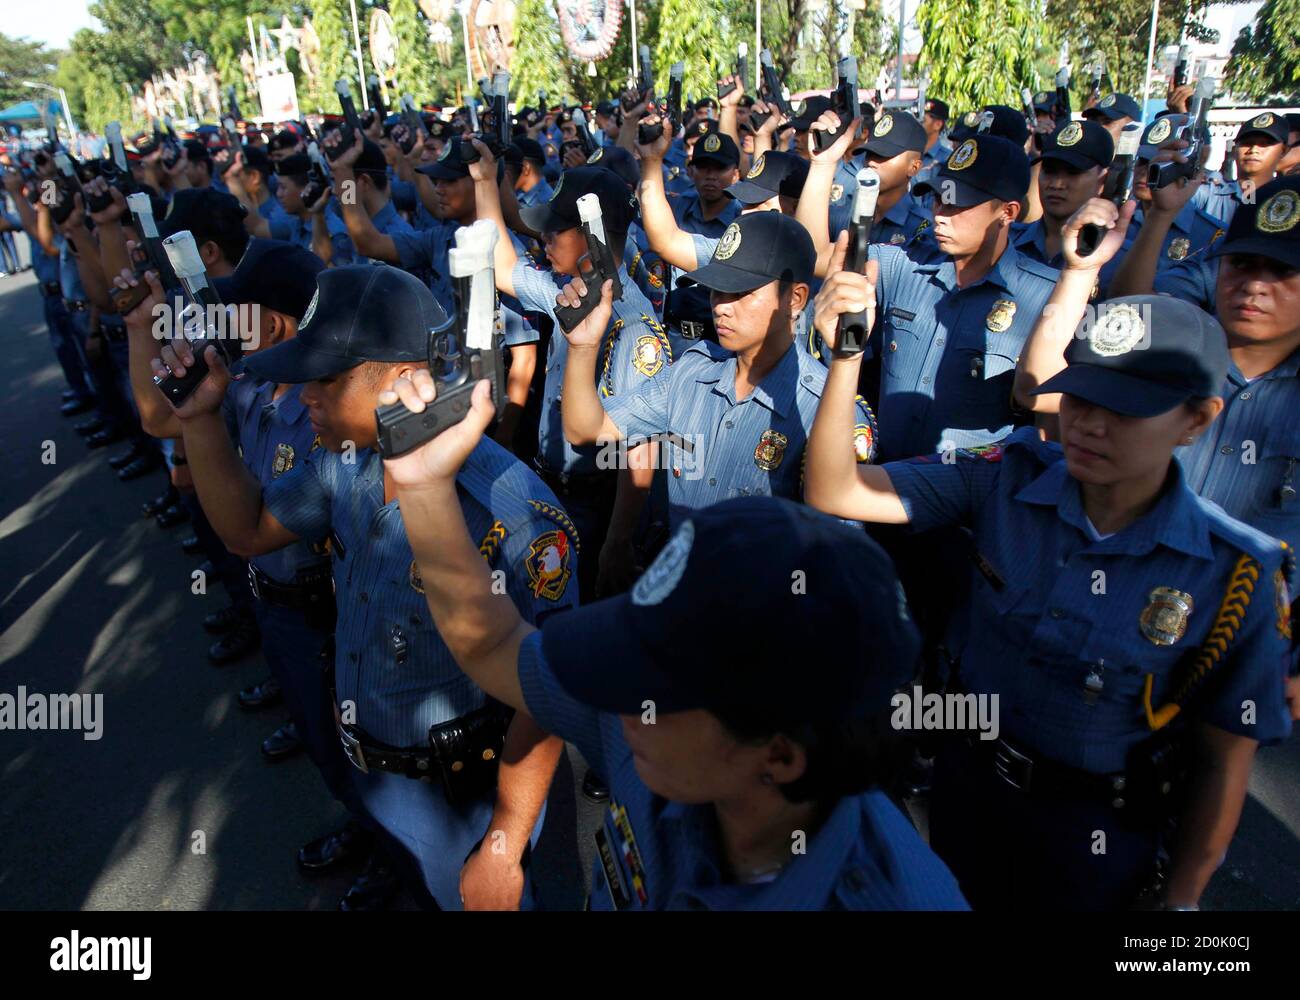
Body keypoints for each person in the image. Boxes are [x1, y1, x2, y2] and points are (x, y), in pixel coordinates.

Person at [806, 246, 1293, 909]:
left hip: (1091, 834)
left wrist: (1181, 902)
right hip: (966, 784)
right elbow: (838, 490)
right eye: (1083, 395)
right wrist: (846, 357)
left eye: (1125, 407)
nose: (1090, 422)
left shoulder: (1234, 573)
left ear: (1197, 420)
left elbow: (1222, 763)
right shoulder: (1008, 475)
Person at [373, 381, 968, 909]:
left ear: (780, 757)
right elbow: (494, 641)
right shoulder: (639, 721)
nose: (622, 692)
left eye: (659, 685)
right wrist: (425, 487)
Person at [148, 262, 576, 911]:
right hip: (378, 778)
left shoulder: (515, 516)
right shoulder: (344, 461)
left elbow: (545, 697)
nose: (304, 395)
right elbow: (248, 532)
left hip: (466, 798)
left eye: (325, 377)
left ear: (405, 381)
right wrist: (202, 421)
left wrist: (504, 845)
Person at [1016, 176, 1300, 705]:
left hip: (1240, 639)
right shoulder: (1171, 352)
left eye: (1283, 271)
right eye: (1241, 265)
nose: (1255, 286)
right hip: (1105, 609)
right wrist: (1082, 272)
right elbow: (1040, 389)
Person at [559, 211, 877, 529]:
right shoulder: (692, 373)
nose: (721, 306)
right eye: (716, 290)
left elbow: (834, 552)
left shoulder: (827, 411)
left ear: (795, 298)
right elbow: (586, 429)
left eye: (740, 293)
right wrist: (582, 348)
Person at [474, 153, 672, 601]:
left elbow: (640, 454)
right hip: (553, 488)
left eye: (555, 228)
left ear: (592, 236)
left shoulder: (630, 324)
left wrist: (616, 544)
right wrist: (485, 180)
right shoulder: (573, 294)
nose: (542, 237)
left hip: (595, 505)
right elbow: (505, 268)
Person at [868, 133, 1058, 462]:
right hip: (878, 481)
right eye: (939, 199)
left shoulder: (1044, 294)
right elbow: (819, 255)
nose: (941, 213)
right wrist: (824, 164)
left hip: (968, 499)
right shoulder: (907, 265)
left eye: (959, 204)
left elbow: (1050, 419)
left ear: (1008, 212)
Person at [1009, 119, 1128, 295]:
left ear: (1105, 180)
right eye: (1049, 171)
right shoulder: (1006, 240)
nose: (1057, 184)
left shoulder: (1121, 258)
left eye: (1073, 173)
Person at [1192, 112, 1290, 227]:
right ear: (1234, 149)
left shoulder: (1288, 200)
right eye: (1247, 143)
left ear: (1283, 151)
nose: (1253, 150)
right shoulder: (1208, 193)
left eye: (1265, 144)